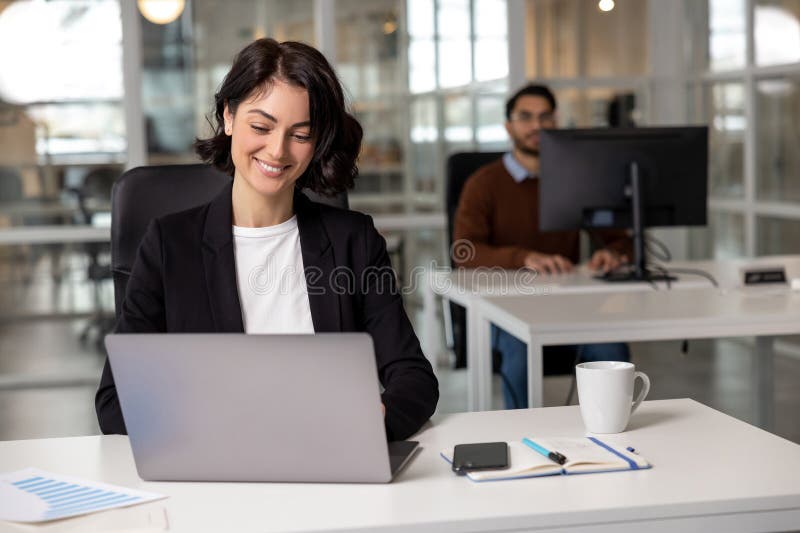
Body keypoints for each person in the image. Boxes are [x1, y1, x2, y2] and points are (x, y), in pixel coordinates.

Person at [95, 38, 438, 441]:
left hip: (330, 458)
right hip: (216, 465)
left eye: (300, 134)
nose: (277, 151)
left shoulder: (354, 241)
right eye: (261, 126)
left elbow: (414, 379)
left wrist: (373, 422)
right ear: (228, 116)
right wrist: (216, 426)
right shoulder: (169, 244)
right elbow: (115, 401)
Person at [453, 83, 630, 409]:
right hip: (503, 307)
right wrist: (523, 258)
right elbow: (465, 251)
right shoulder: (483, 184)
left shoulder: (577, 179)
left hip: (568, 304)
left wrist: (612, 253)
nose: (536, 125)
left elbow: (620, 240)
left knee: (611, 349)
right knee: (519, 349)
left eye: (545, 117)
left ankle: (614, 433)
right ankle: (524, 439)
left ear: (555, 122)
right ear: (509, 126)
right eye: (526, 117)